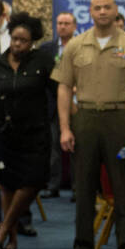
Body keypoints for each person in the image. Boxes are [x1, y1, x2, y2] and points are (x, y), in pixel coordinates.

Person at [53, 0, 125, 249]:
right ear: (90, 12)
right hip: (84, 118)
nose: (102, 12)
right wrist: (64, 128)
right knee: (83, 188)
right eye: (96, 7)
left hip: (119, 120)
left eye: (107, 7)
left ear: (115, 9)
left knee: (122, 188)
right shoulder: (75, 46)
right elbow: (63, 87)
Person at [0, 13, 52, 249]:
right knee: (7, 185)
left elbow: (60, 90)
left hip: (36, 132)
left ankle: (4, 226)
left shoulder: (43, 60)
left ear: (32, 42)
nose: (17, 44)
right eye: (14, 38)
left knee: (34, 180)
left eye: (23, 41)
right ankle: (12, 238)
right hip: (6, 133)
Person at [37, 11, 76, 198]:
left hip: (78, 103)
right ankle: (53, 185)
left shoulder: (82, 46)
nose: (62, 26)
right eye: (59, 23)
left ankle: (78, 188)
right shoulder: (46, 49)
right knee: (53, 147)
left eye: (66, 23)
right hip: (52, 104)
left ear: (74, 26)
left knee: (79, 147)